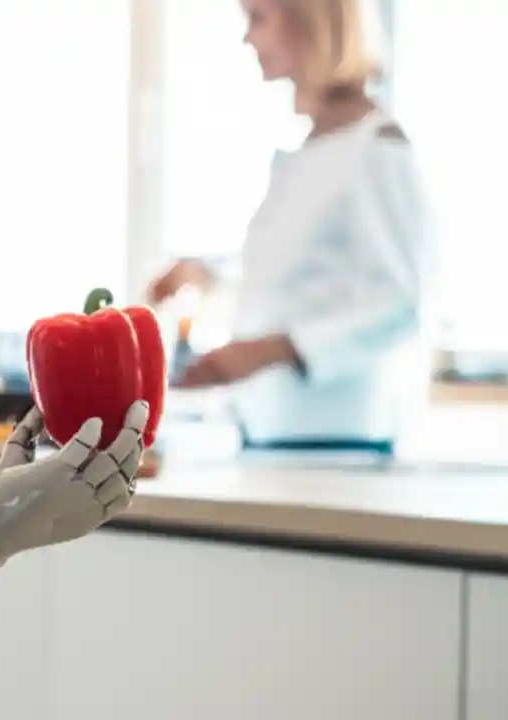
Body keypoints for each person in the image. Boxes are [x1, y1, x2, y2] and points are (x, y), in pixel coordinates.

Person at [148, 0, 434, 454]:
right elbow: (293, 281)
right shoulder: (311, 153)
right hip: (273, 432)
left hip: (338, 441)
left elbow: (398, 304)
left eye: (258, 19)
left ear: (312, 22)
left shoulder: (376, 149)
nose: (248, 38)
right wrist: (203, 274)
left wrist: (266, 352)